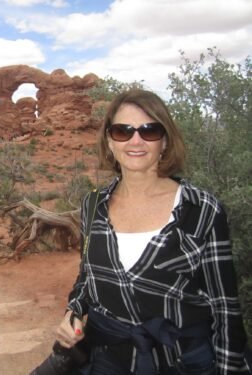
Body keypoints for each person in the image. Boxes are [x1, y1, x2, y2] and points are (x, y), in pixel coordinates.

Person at [53, 89, 250, 374]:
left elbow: (225, 308)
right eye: (123, 131)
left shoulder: (201, 208)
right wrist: (73, 312)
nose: (136, 140)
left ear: (165, 140)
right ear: (109, 141)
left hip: (183, 363)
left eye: (149, 130)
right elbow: (86, 278)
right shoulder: (92, 204)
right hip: (108, 361)